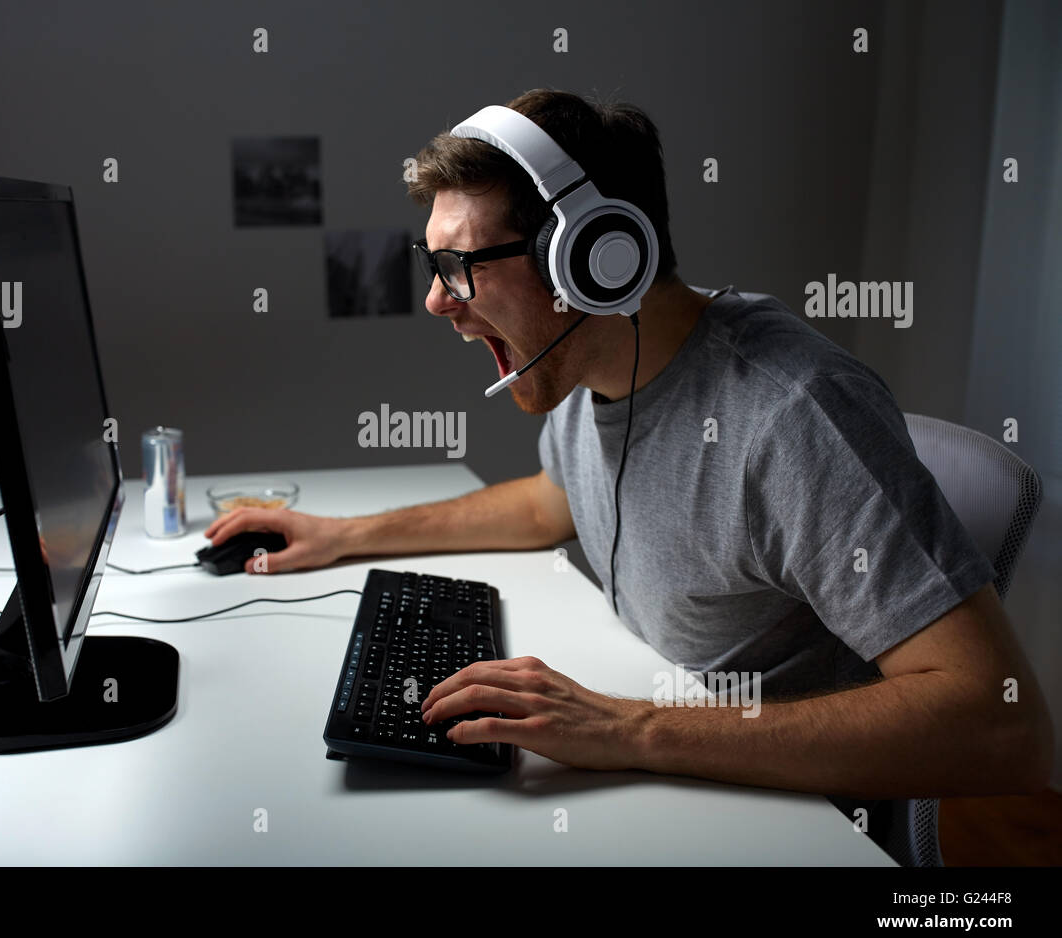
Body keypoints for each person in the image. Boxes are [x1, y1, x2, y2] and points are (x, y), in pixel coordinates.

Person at [204, 89, 1052, 800]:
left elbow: (999, 722)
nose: (437, 301)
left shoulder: (794, 414)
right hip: (672, 768)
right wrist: (344, 535)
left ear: (593, 259)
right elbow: (551, 501)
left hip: (777, 812)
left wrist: (626, 728)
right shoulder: (592, 367)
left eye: (461, 266)